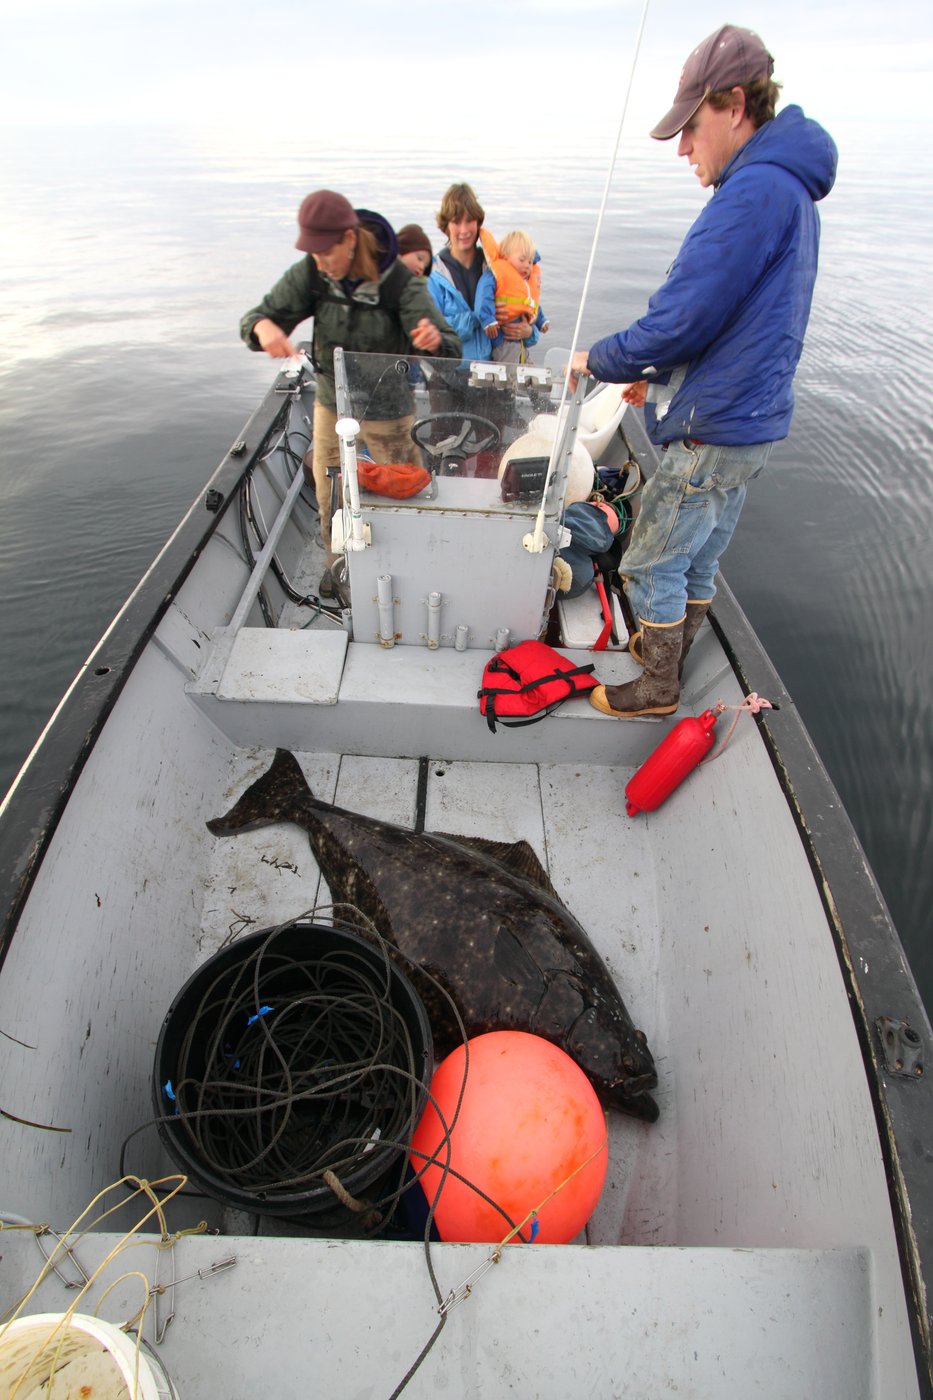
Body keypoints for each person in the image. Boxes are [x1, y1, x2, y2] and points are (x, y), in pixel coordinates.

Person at [570, 24, 837, 718]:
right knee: (697, 553)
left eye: (691, 127)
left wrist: (598, 359)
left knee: (651, 558)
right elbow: (738, 319)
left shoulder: (751, 194)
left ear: (735, 105)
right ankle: (672, 647)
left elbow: (684, 316)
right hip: (752, 425)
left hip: (715, 425)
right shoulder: (790, 193)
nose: (684, 147)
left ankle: (657, 686)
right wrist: (655, 379)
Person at [240, 190, 460, 594]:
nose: (320, 262)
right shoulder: (313, 273)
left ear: (349, 239)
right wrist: (263, 329)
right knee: (329, 486)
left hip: (389, 408)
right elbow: (256, 317)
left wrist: (432, 340)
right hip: (331, 400)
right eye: (314, 254)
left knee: (404, 486)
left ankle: (407, 566)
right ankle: (337, 561)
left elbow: (450, 346)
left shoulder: (398, 282)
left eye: (326, 252)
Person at [481, 228, 550, 364]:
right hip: (503, 341)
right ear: (506, 257)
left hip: (522, 346)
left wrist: (541, 322)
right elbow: (483, 299)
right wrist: (488, 319)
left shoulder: (524, 285)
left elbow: (533, 306)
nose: (527, 266)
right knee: (509, 375)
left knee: (530, 374)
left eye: (530, 262)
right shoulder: (494, 275)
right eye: (522, 260)